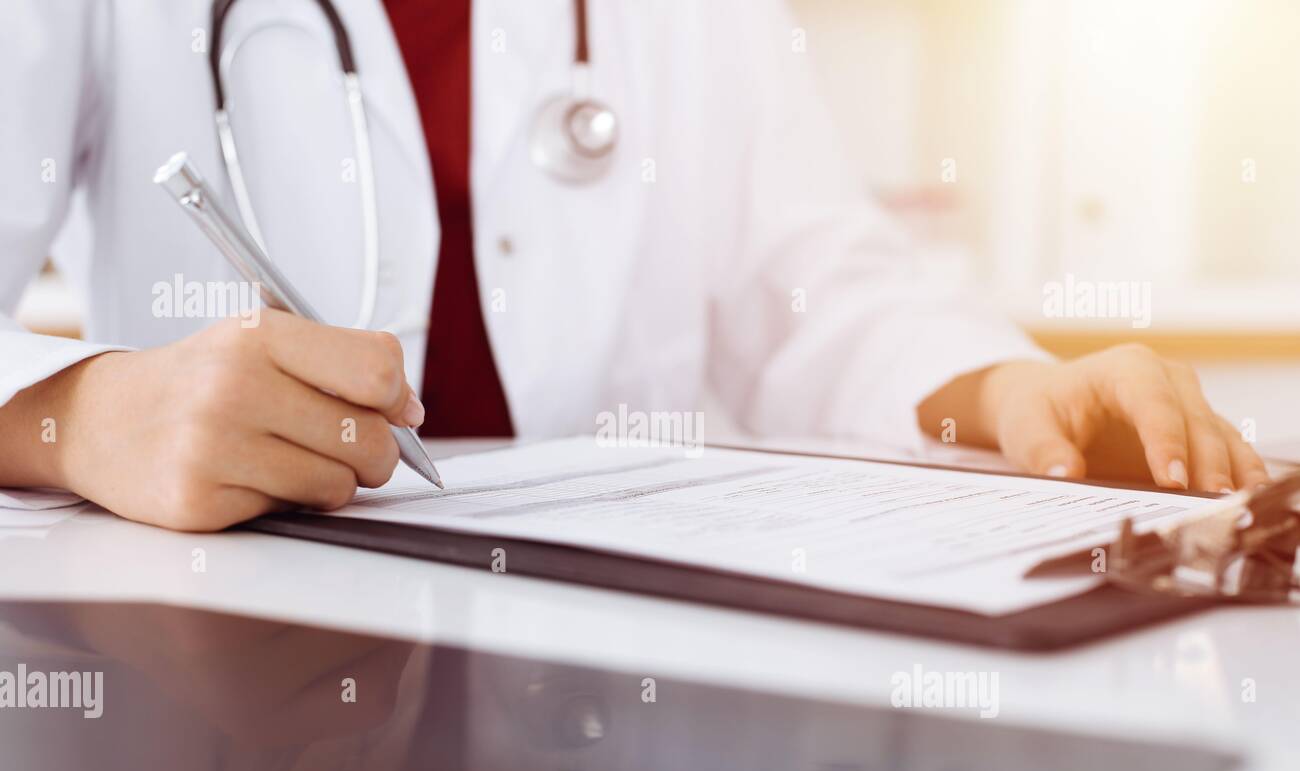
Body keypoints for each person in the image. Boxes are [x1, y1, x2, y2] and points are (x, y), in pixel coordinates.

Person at [0, 0, 1267, 532]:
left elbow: (816, 277)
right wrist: (79, 416)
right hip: (244, 604)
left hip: (620, 616)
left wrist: (1003, 386)